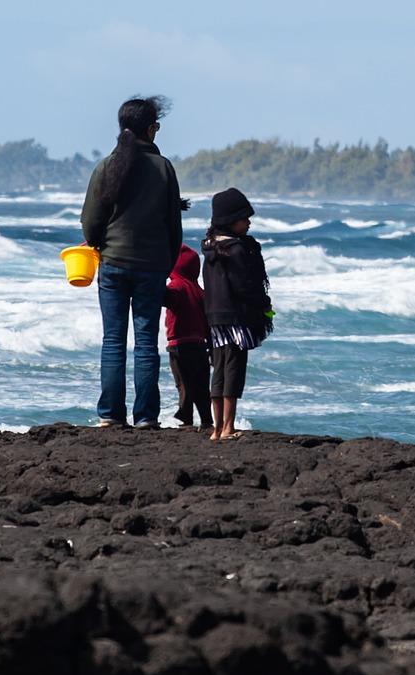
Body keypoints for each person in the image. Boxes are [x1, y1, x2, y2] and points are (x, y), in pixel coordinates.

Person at [80, 96, 185, 429]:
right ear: (151, 129)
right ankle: (145, 417)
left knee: (112, 340)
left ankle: (110, 415)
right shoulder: (163, 168)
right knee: (145, 342)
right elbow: (173, 225)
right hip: (152, 266)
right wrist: (167, 263)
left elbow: (90, 221)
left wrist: (98, 244)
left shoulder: (106, 166)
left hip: (112, 262)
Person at [200, 188, 273, 441]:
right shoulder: (238, 250)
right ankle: (228, 428)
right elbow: (246, 287)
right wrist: (264, 305)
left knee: (218, 370)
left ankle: (216, 429)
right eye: (244, 218)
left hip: (214, 319)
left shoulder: (210, 249)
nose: (249, 222)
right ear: (230, 220)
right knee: (234, 370)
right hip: (235, 319)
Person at [164, 243, 213, 430]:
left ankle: (186, 418)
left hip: (179, 344)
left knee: (183, 383)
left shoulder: (176, 286)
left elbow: (165, 298)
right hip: (200, 344)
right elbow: (208, 321)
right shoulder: (200, 291)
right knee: (201, 384)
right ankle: (207, 420)